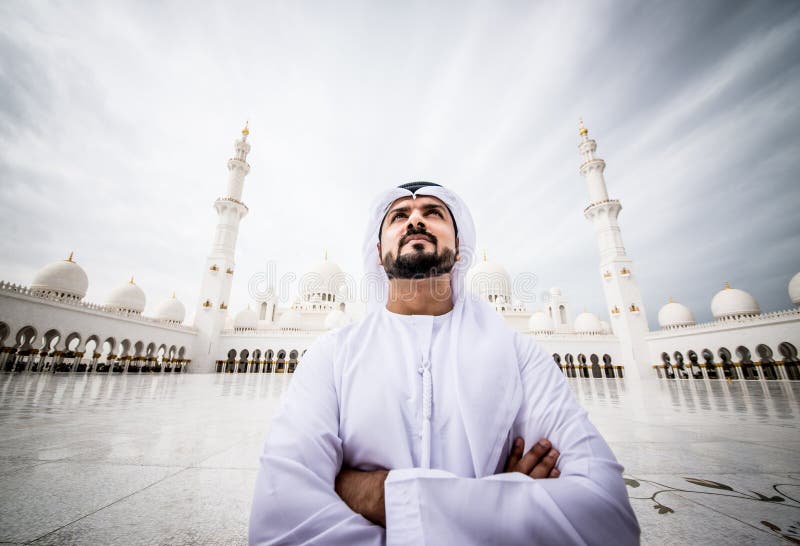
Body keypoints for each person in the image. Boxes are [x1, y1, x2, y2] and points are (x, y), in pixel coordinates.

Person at [249, 182, 640, 545]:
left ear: (461, 248)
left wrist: (363, 491)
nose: (415, 220)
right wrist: (500, 500)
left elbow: (606, 514)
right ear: (377, 253)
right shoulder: (333, 356)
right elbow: (280, 520)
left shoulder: (518, 355)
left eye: (433, 212)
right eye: (399, 215)